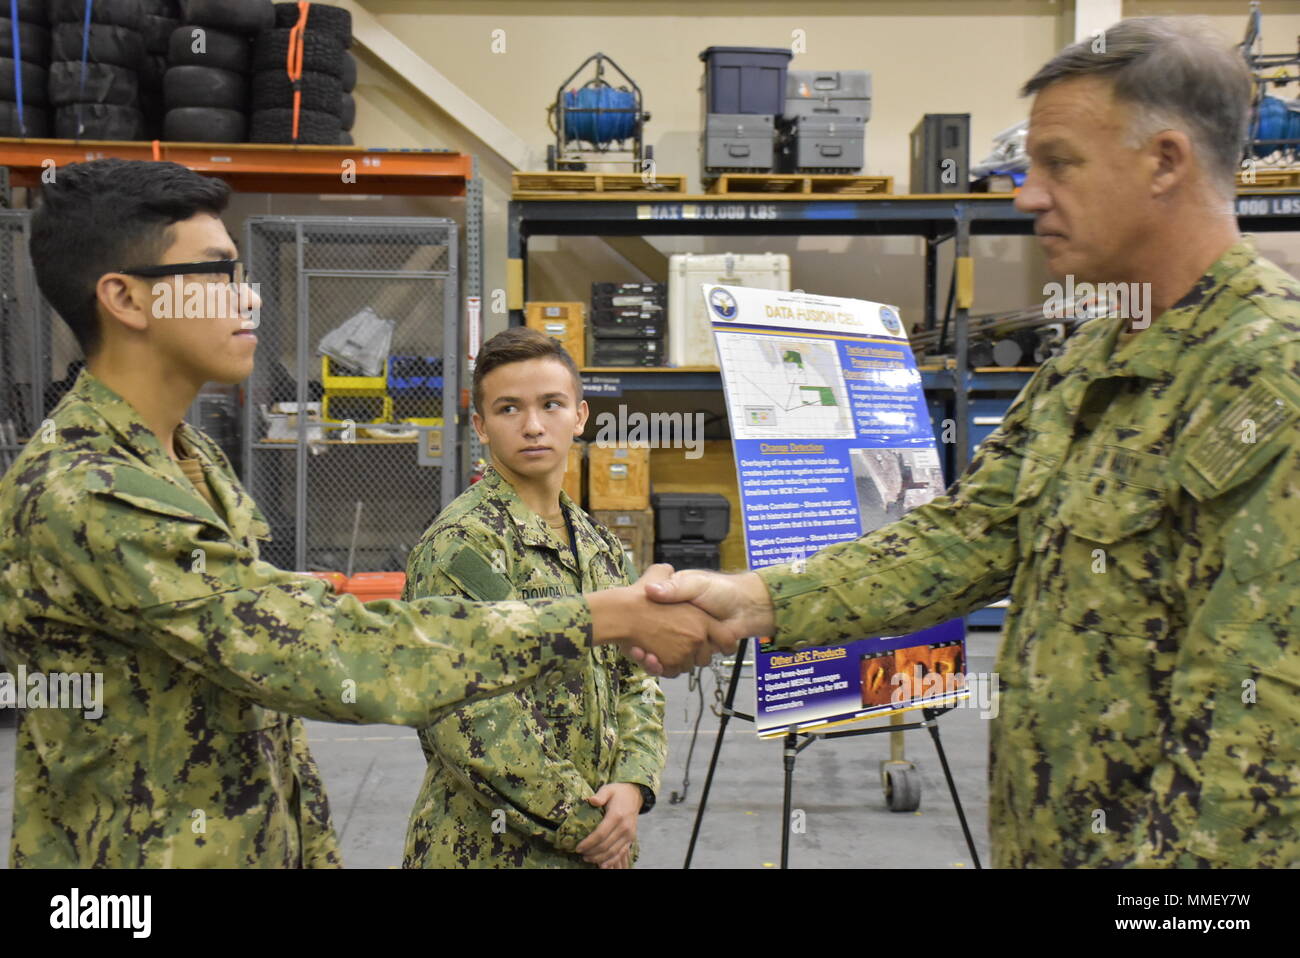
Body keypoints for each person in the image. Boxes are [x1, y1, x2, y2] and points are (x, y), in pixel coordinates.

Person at [648, 18, 1300, 868]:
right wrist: (759, 599)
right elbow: (968, 534)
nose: (1026, 194)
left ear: (1166, 161)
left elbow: (1255, 759)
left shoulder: (1266, 381)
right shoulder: (1102, 350)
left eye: (1059, 163)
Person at [0, 158, 715, 868]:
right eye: (217, 275)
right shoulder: (87, 487)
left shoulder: (188, 461)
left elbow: (258, 702)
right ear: (126, 299)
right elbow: (318, 648)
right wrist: (605, 616)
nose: (248, 300)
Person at [402, 328, 666, 869]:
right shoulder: (463, 547)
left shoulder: (601, 546)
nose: (532, 425)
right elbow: (470, 718)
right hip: (487, 849)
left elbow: (637, 678)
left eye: (551, 404)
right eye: (508, 409)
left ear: (580, 416)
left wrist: (633, 784)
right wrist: (591, 825)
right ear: (480, 426)